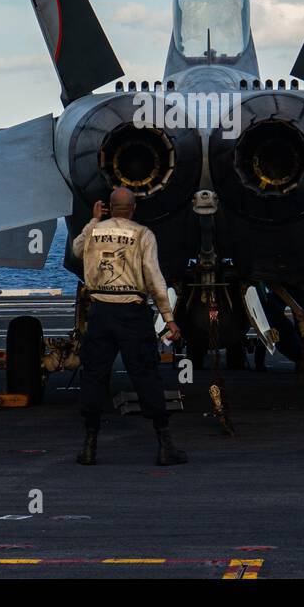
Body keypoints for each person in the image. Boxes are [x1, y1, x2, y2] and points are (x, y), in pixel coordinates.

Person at [71, 187, 186, 466]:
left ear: (109, 207)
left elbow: (76, 250)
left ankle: (89, 445)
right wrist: (168, 317)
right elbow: (154, 278)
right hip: (132, 314)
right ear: (133, 208)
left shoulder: (94, 232)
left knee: (95, 376)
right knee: (146, 375)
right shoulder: (143, 235)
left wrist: (93, 220)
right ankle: (164, 444)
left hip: (100, 311)